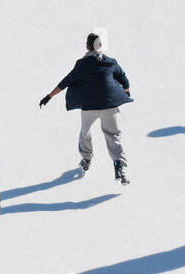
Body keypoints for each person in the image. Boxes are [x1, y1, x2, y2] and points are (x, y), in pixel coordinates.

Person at [39, 32, 133, 184]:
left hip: (89, 106)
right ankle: (119, 165)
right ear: (100, 46)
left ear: (87, 47)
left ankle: (86, 159)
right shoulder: (111, 62)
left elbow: (66, 81)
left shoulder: (81, 65)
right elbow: (123, 78)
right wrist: (126, 91)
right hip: (109, 104)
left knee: (85, 133)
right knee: (113, 134)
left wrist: (49, 96)